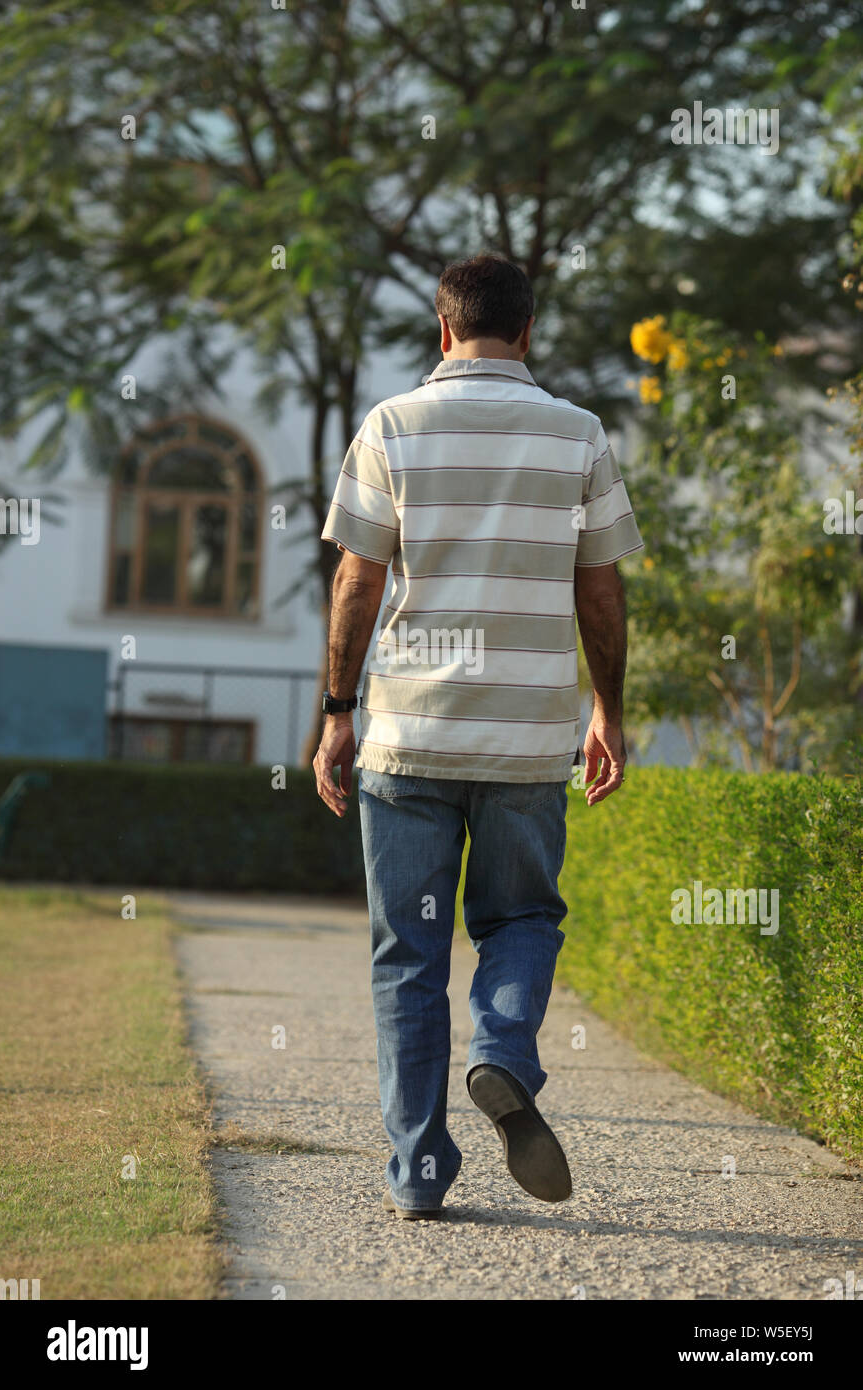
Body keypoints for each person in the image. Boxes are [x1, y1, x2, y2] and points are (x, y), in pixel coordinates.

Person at [313, 253, 644, 1220]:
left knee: (407, 954)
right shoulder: (578, 435)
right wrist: (607, 711)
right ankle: (501, 1056)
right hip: (525, 740)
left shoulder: (392, 427)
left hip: (409, 740)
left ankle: (418, 1170)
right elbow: (601, 589)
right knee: (522, 921)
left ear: (442, 329)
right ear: (529, 333)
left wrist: (338, 716)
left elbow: (356, 583)